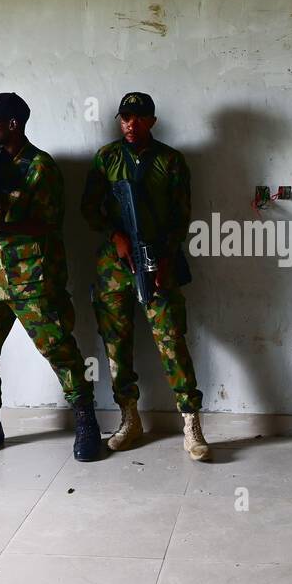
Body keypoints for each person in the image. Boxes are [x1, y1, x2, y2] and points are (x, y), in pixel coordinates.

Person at [0, 93, 103, 462]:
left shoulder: (41, 167)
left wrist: (2, 221)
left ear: (14, 124)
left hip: (32, 277)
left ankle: (86, 422)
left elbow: (48, 223)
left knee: (59, 351)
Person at [81, 91, 208, 461]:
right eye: (124, 118)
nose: (130, 125)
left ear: (152, 121)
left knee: (172, 341)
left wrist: (165, 258)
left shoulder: (170, 160)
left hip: (158, 262)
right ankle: (129, 418)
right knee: (116, 345)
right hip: (114, 267)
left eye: (138, 118)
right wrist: (115, 236)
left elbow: (181, 217)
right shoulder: (107, 157)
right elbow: (89, 208)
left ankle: (191, 423)